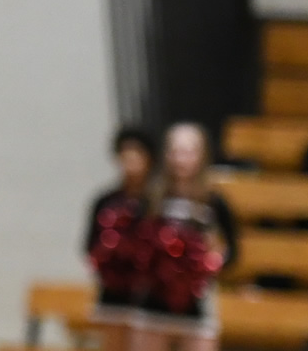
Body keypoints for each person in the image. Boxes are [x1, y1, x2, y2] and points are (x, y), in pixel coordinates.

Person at [136, 123, 237, 351]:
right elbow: (136, 245)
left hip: (197, 306)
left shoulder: (214, 201)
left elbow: (233, 253)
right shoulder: (150, 198)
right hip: (153, 305)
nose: (181, 159)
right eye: (176, 151)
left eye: (189, 152)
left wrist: (210, 261)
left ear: (202, 156)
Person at [88, 127, 157, 351]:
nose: (130, 161)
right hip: (114, 292)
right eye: (125, 154)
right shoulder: (104, 201)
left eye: (136, 154)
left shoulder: (157, 204)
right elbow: (89, 246)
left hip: (152, 295)